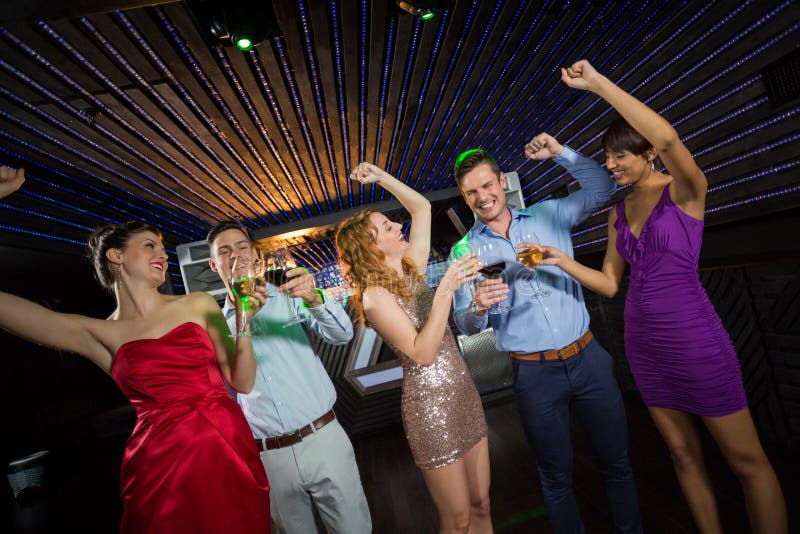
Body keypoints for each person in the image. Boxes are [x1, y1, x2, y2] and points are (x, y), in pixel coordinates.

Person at [533, 59, 787, 534]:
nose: (610, 165)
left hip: (694, 338)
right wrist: (560, 260)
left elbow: (670, 139)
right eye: (606, 157)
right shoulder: (618, 211)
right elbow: (611, 283)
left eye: (618, 156)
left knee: (745, 460)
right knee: (682, 454)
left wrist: (598, 84)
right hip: (644, 345)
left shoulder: (687, 190)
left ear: (647, 152)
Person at [0, 167, 270, 533]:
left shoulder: (198, 304)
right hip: (160, 465)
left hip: (226, 448)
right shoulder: (98, 333)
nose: (163, 254)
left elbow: (243, 382)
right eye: (150, 245)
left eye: (161, 247)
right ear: (117, 256)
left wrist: (244, 322)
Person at [450, 138, 643, 533]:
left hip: (588, 358)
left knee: (617, 463)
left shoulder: (548, 214)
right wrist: (478, 307)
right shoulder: (464, 252)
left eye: (487, 185)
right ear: (464, 197)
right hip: (534, 375)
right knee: (556, 478)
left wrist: (560, 153)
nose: (482, 197)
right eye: (471, 192)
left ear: (502, 182)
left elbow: (603, 189)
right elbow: (466, 327)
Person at [336, 163, 492, 534]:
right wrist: (446, 289)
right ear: (371, 249)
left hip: (463, 392)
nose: (397, 226)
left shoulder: (411, 269)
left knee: (482, 504)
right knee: (457, 521)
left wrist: (381, 177)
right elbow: (422, 353)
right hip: (430, 410)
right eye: (386, 227)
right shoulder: (375, 296)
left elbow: (420, 208)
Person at [207, 221, 371, 534]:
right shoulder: (214, 325)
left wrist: (315, 298)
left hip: (322, 437)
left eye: (242, 247)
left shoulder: (286, 293)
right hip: (268, 456)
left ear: (256, 255)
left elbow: (342, 335)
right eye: (224, 252)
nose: (235, 257)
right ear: (214, 265)